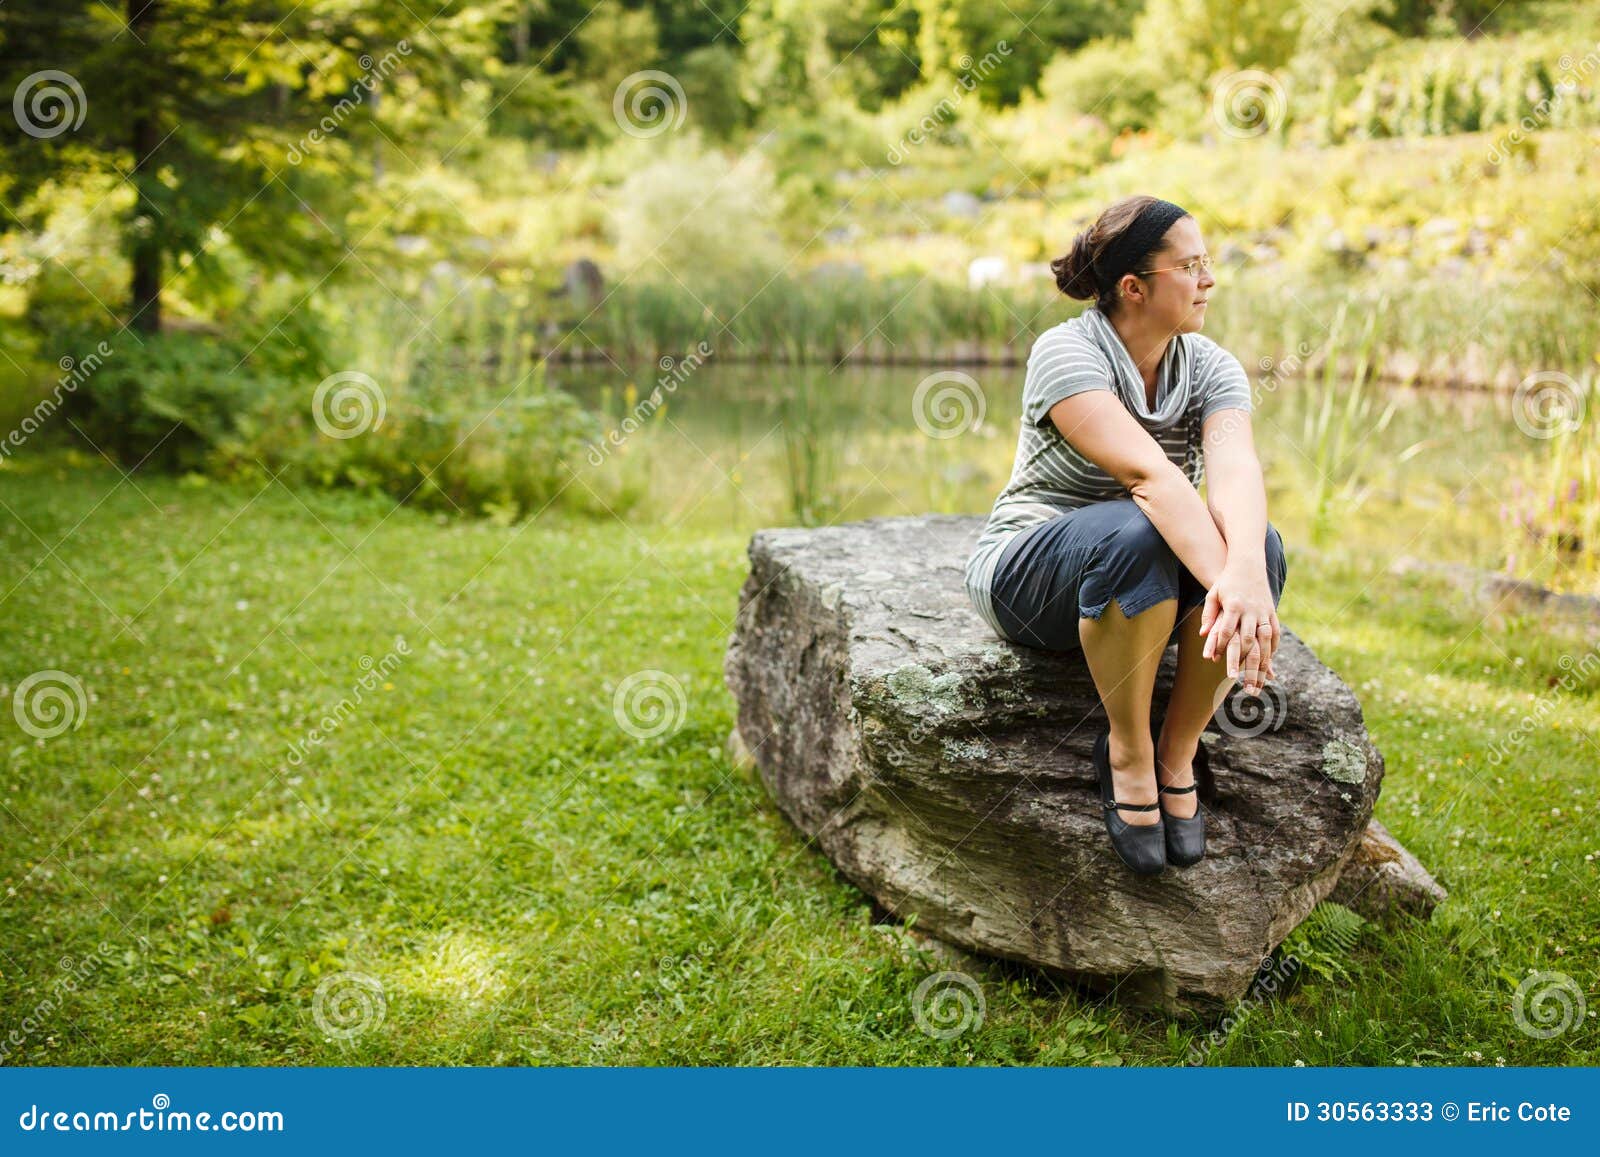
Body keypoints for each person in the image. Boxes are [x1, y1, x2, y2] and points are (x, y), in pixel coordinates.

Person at [962, 195, 1288, 875]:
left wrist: (1248, 576)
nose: (1209, 279)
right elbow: (1149, 476)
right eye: (1190, 267)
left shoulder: (1210, 366)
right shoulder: (1066, 353)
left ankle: (1177, 750)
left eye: (1207, 263)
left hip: (1142, 574)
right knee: (1139, 529)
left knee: (1262, 547)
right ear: (1134, 288)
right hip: (1031, 577)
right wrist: (1235, 589)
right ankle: (1128, 750)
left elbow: (1234, 469)